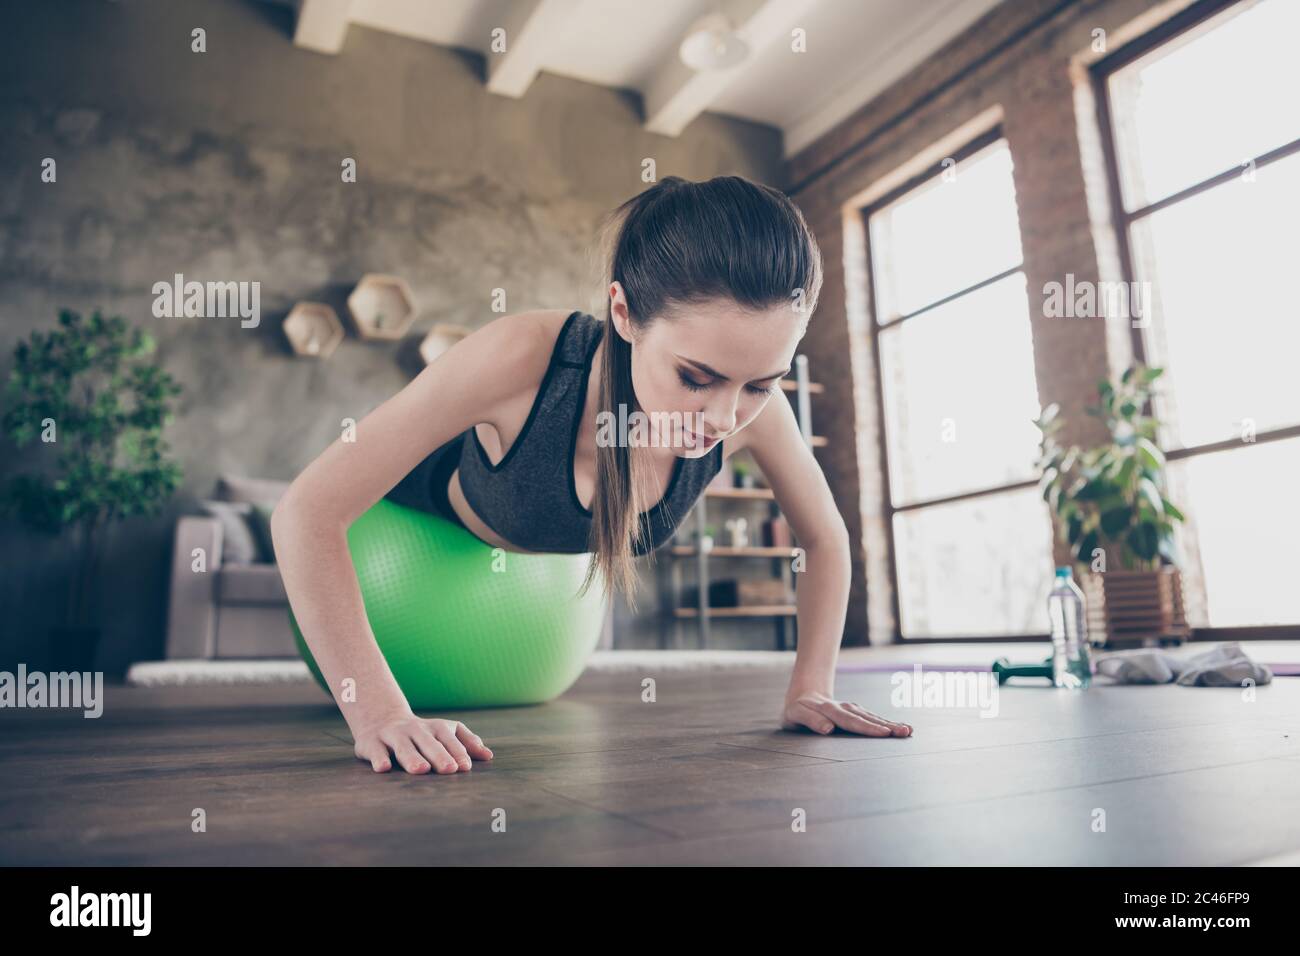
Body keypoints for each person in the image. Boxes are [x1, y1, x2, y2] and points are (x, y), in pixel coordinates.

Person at [272, 175, 913, 777]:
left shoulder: (754, 413)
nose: (723, 417)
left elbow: (824, 538)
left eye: (761, 385)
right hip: (413, 518)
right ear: (625, 313)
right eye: (695, 377)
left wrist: (812, 686)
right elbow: (305, 512)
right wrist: (379, 711)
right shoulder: (519, 357)